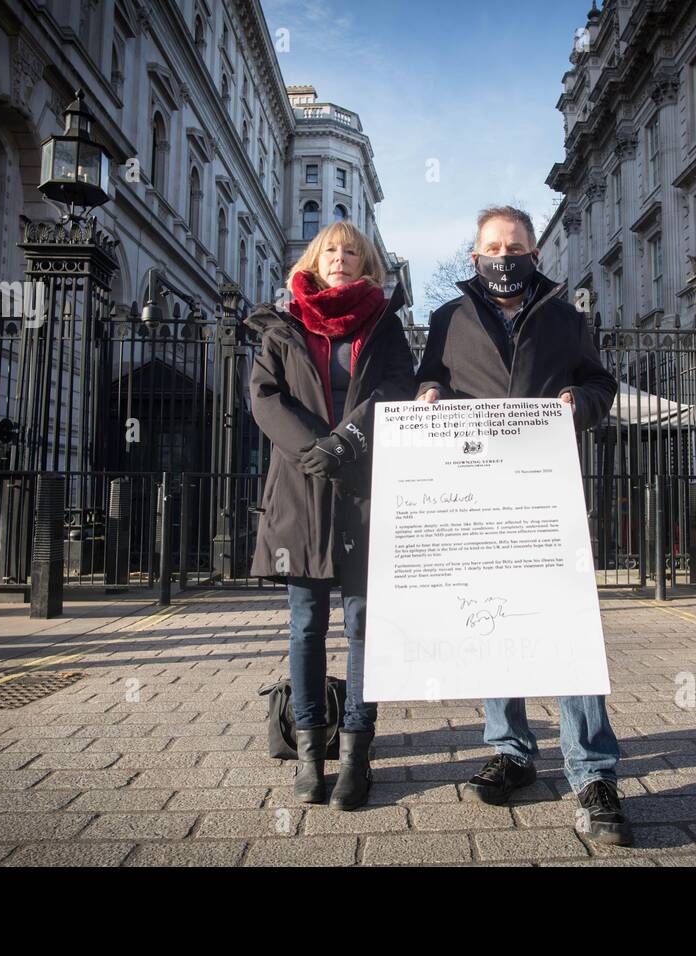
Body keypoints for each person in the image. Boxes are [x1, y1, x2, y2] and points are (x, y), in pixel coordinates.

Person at [415, 205, 630, 845]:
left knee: (568, 626)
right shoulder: (447, 319)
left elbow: (600, 384)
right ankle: (511, 751)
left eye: (515, 245)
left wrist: (579, 405)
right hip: (477, 491)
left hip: (547, 492)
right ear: (475, 256)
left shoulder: (567, 319)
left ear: (535, 253)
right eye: (491, 246)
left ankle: (592, 770)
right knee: (489, 618)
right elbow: (429, 377)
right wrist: (428, 394)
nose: (503, 255)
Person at [247, 220, 416, 810]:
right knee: (306, 625)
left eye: (351, 251)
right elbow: (264, 396)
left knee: (365, 625)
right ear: (313, 263)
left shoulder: (383, 323)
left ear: (364, 263)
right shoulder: (283, 324)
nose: (340, 258)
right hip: (300, 489)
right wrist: (310, 448)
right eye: (330, 251)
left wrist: (347, 440)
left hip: (365, 484)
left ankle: (356, 755)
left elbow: (398, 386)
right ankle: (310, 754)